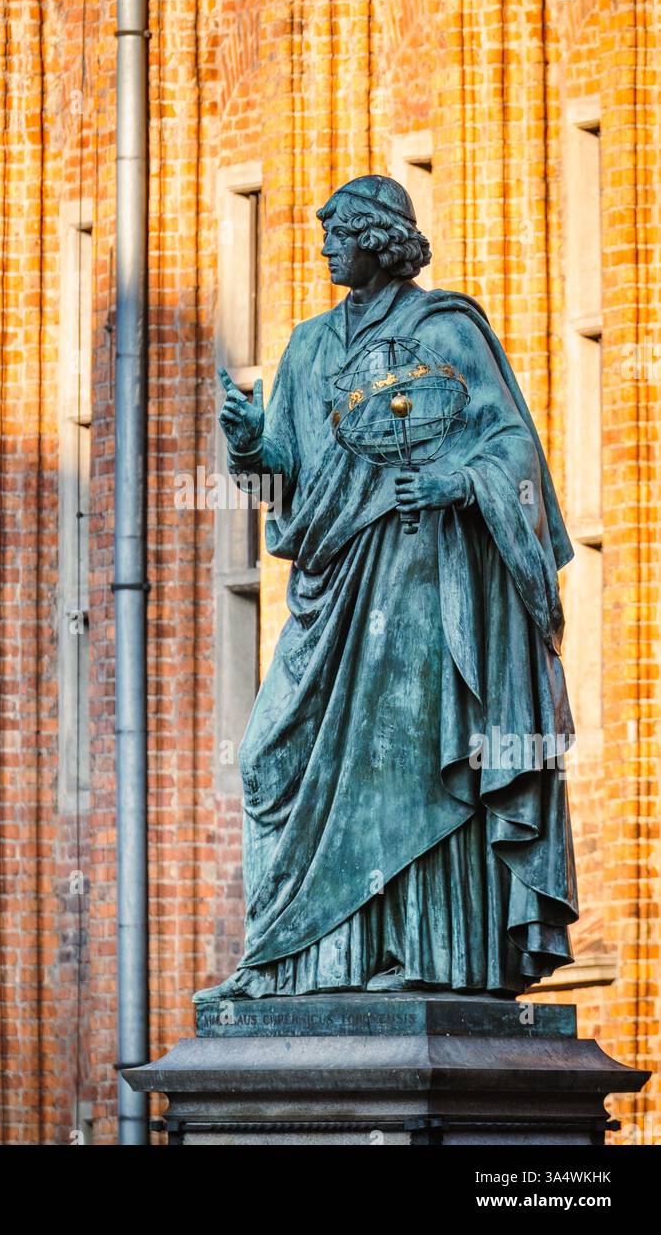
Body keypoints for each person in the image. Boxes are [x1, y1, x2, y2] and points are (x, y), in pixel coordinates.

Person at [201, 174, 578, 999]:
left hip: (420, 577)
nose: (326, 246)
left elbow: (514, 453)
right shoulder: (308, 346)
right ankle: (294, 962)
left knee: (408, 759)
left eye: (340, 232)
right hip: (333, 587)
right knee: (271, 754)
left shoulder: (444, 329)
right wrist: (247, 447)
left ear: (380, 238)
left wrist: (454, 481)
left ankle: (424, 955)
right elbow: (285, 481)